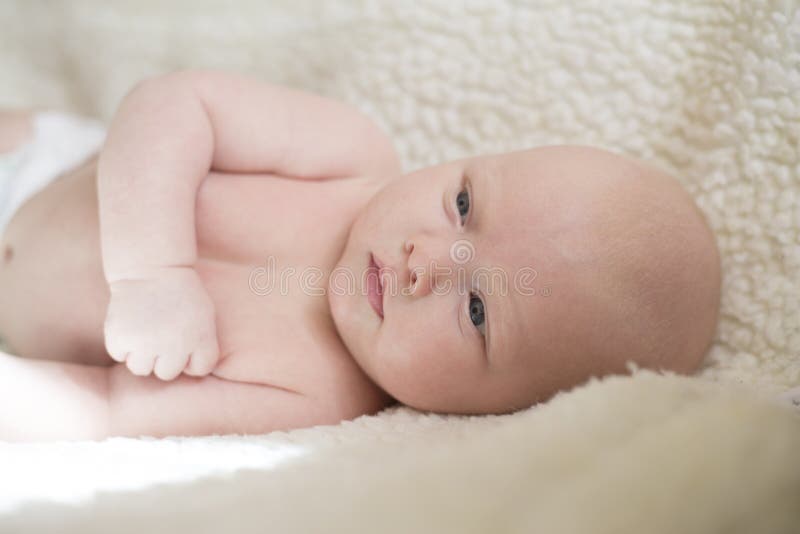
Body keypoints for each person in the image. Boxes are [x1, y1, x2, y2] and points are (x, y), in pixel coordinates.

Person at [0, 69, 721, 441]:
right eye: (464, 205)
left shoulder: (318, 398)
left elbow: (106, 411)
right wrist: (152, 275)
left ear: (500, 411)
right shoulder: (348, 157)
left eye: (475, 310)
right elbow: (173, 104)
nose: (425, 260)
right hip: (41, 165)